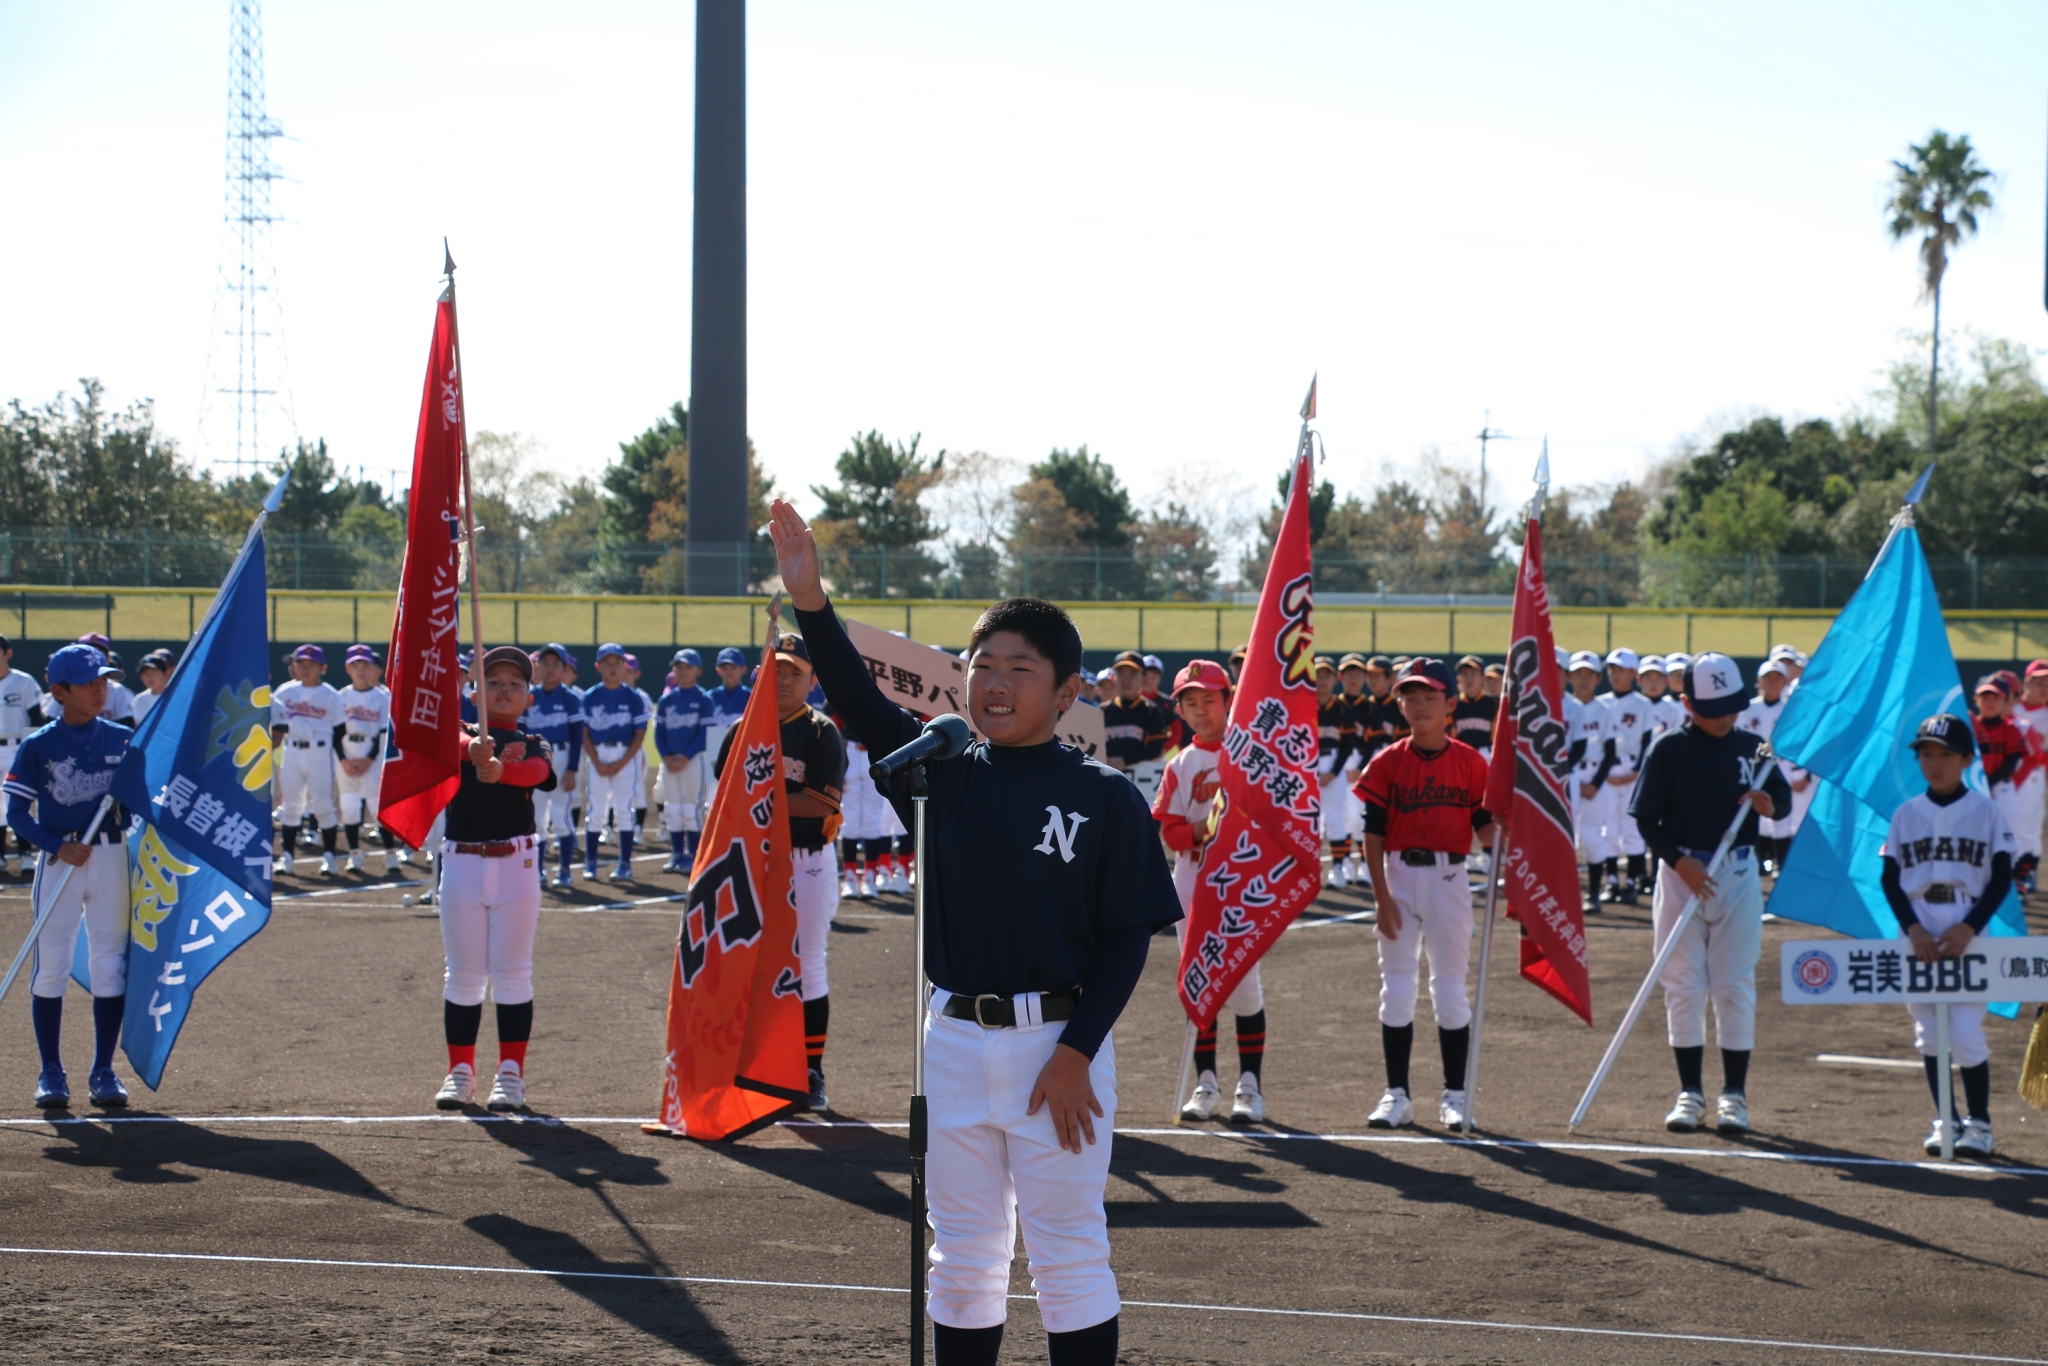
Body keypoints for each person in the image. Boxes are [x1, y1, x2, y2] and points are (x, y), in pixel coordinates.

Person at [771, 497, 1177, 1366]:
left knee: (1068, 1256)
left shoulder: (1106, 796)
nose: (994, 681)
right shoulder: (940, 772)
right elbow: (862, 703)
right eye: (980, 663)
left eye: (1019, 668)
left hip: (1057, 1044)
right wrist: (811, 601)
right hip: (950, 1039)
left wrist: (1075, 1055)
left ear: (1066, 691)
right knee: (960, 1259)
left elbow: (1127, 938)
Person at [1628, 652, 1791, 1135]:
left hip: (1737, 874)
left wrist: (1769, 805)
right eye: (1713, 708)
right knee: (1682, 983)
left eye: (1732, 706)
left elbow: (1783, 802)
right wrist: (1679, 863)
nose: (1724, 717)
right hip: (1682, 875)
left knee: (1734, 984)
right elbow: (1645, 819)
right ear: (1687, 703)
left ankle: (1734, 1094)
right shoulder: (1668, 750)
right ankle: (1690, 1093)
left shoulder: (1755, 748)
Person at [1357, 658, 1494, 1130]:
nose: (1419, 705)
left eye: (1429, 696)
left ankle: (1455, 1094)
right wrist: (1381, 897)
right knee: (1396, 989)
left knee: (1450, 990)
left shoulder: (1471, 762)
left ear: (1450, 703)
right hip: (1397, 876)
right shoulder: (1387, 761)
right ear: (1398, 705)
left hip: (1449, 878)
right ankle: (1397, 1094)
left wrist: (1508, 841)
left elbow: (1484, 825)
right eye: (1409, 697)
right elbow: (1373, 832)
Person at [713, 633, 847, 1110]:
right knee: (744, 963)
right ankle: (751, 1064)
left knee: (807, 965)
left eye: (795, 672)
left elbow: (821, 802)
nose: (785, 680)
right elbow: (724, 794)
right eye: (777, 671)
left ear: (812, 681)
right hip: (751, 862)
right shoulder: (742, 730)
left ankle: (810, 1071)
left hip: (805, 863)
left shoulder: (820, 731)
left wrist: (760, 796)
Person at [4, 644, 133, 1108]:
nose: (100, 690)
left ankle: (103, 1070)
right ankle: (51, 1071)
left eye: (103, 682)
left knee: (109, 964)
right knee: (52, 965)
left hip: (112, 856)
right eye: (88, 684)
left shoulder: (123, 738)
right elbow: (16, 813)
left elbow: (146, 799)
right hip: (61, 861)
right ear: (59, 692)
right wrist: (56, 845)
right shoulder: (39, 745)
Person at [1882, 714, 2016, 1156]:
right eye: (1926, 754)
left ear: (1966, 759)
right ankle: (1947, 1119)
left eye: (1945, 755)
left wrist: (1970, 926)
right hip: (1919, 926)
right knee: (1929, 1032)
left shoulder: (1986, 811)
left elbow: (2001, 878)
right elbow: (1890, 879)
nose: (1934, 763)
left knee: (1965, 1032)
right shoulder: (1906, 814)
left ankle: (1980, 1124)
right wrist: (1913, 927)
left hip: (1967, 924)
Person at [433, 646, 559, 1113]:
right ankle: (460, 1072)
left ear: (529, 697)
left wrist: (502, 770)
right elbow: (443, 744)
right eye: (492, 682)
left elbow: (540, 773)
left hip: (516, 866)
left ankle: (510, 1073)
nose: (504, 689)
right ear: (474, 693)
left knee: (512, 974)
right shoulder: (461, 733)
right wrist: (471, 750)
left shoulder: (533, 741)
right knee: (463, 975)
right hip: (462, 863)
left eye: (514, 683)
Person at [1153, 661, 1269, 1123]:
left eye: (1209, 700)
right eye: (1191, 702)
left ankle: (1250, 1086)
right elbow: (1170, 832)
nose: (1201, 710)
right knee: (1198, 982)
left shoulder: (1250, 756)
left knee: (1243, 984)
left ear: (1228, 700)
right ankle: (1206, 1084)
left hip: (1242, 881)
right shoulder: (1180, 765)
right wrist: (1203, 829)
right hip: (1194, 879)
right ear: (1180, 710)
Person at [270, 644, 347, 876]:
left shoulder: (330, 695)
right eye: (301, 664)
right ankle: (287, 857)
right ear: (294, 666)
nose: (305, 669)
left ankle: (330, 857)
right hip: (292, 751)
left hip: (319, 752)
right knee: (291, 806)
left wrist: (342, 759)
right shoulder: (284, 692)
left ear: (323, 668)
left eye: (311, 665)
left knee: (323, 804)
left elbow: (340, 730)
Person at [522, 644, 586, 888]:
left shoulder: (571, 698)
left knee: (561, 816)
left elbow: (577, 736)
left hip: (561, 756)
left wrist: (572, 770)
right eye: (545, 663)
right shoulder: (529, 696)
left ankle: (565, 870)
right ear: (537, 667)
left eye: (555, 664)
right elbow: (522, 732)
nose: (550, 669)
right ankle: (537, 870)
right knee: (537, 818)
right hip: (535, 757)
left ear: (564, 668)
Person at [1594, 648, 1655, 905]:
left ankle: (1631, 882)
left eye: (1621, 670)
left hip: (1633, 771)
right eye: (1612, 669)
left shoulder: (1643, 704)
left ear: (1633, 673)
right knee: (1608, 828)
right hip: (1605, 772)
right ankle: (1611, 881)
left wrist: (1636, 773)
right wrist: (1603, 773)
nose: (1615, 674)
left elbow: (1648, 743)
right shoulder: (1600, 703)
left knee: (1631, 828)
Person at [655, 649, 715, 872]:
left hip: (693, 760)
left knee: (690, 810)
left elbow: (704, 734)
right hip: (670, 760)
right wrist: (666, 757)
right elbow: (659, 733)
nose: (682, 671)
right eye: (678, 667)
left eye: (687, 667)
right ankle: (677, 854)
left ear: (698, 671)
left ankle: (694, 855)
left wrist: (686, 758)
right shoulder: (666, 700)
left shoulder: (704, 699)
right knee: (672, 809)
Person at [1564, 650, 1610, 913]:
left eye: (1589, 675)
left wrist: (1595, 783)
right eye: (1578, 673)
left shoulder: (1604, 711)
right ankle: (1567, 892)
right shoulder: (1564, 706)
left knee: (1592, 838)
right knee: (1565, 837)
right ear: (1570, 676)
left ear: (1598, 679)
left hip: (1594, 778)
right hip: (1569, 776)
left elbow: (1610, 752)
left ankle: (1593, 894)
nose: (1583, 679)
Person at [0, 635, 48, 878]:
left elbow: (36, 718)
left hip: (16, 746)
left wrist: (33, 751)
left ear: (7, 653)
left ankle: (26, 853)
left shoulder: (23, 681)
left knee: (19, 799)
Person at [1313, 657, 1362, 887]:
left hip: (1333, 764)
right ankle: (1310, 868)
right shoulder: (1305, 706)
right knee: (1310, 822)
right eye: (1318, 675)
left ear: (1335, 679)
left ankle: (1337, 868)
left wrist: (1333, 772)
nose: (1322, 680)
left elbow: (1348, 744)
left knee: (1335, 818)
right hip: (1309, 765)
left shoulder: (1342, 708)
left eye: (1327, 676)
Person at [1101, 650, 1169, 794]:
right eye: (1121, 674)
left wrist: (1125, 760)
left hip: (1141, 786)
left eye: (1132, 674)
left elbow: (1155, 749)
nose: (1126, 680)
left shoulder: (1150, 711)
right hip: (1105, 783)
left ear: (1143, 678)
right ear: (1113, 678)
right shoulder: (1101, 712)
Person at [2011, 660, 2047, 894]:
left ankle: (2023, 875)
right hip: (2004, 776)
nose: (2045, 688)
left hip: (2034, 778)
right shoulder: (2011, 709)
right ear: (2027, 683)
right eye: (2040, 682)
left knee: (2030, 828)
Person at [1451, 655, 1497, 757]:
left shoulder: (1493, 702)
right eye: (1465, 674)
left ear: (1482, 678)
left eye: (1473, 673)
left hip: (1487, 755)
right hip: (1460, 755)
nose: (1469, 678)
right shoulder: (1453, 704)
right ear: (1459, 679)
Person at [131, 649, 174, 726]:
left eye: (154, 672)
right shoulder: (139, 700)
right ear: (142, 678)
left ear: (166, 673)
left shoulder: (176, 696)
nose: (149, 677)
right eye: (146, 673)